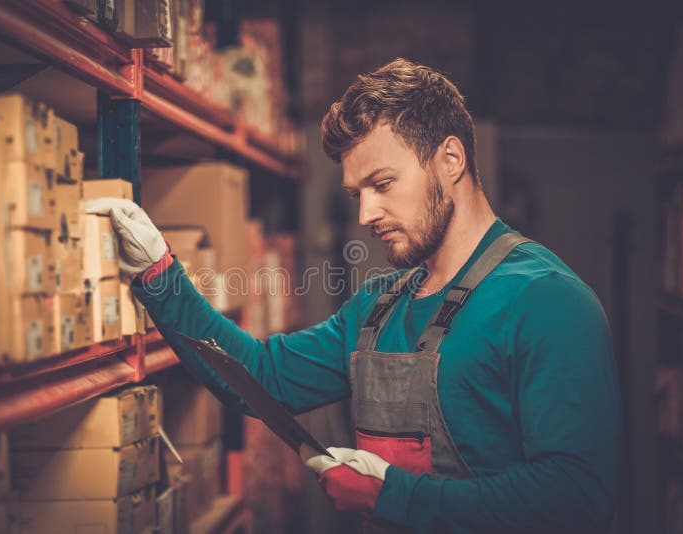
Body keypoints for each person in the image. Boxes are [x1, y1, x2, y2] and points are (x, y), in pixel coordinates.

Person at [87, 58, 621, 533]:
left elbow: (576, 496)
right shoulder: (377, 307)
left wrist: (395, 497)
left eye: (382, 184)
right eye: (356, 194)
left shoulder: (548, 302)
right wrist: (160, 276)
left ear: (450, 160)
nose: (365, 214)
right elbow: (257, 377)